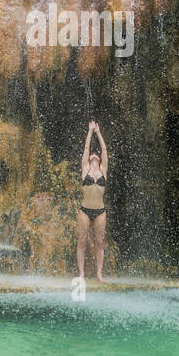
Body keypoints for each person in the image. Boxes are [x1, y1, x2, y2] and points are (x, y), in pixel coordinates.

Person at [77, 120, 109, 282]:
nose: (95, 154)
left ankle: (99, 274)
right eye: (92, 155)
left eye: (97, 155)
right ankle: (81, 273)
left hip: (100, 212)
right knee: (82, 241)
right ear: (89, 159)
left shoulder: (103, 170)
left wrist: (98, 132)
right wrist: (90, 131)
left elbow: (104, 149)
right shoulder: (85, 169)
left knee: (99, 242)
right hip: (84, 210)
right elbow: (87, 148)